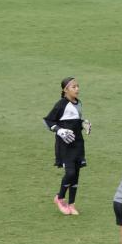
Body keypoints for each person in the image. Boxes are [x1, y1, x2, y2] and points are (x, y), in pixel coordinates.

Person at [42, 77, 91, 215]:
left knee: (76, 174)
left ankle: (72, 204)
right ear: (65, 90)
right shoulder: (61, 104)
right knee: (70, 173)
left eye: (78, 86)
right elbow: (47, 121)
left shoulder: (78, 103)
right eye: (73, 87)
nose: (77, 89)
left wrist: (83, 124)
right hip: (65, 146)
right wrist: (59, 130)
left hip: (78, 144)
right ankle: (60, 198)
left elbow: (75, 121)